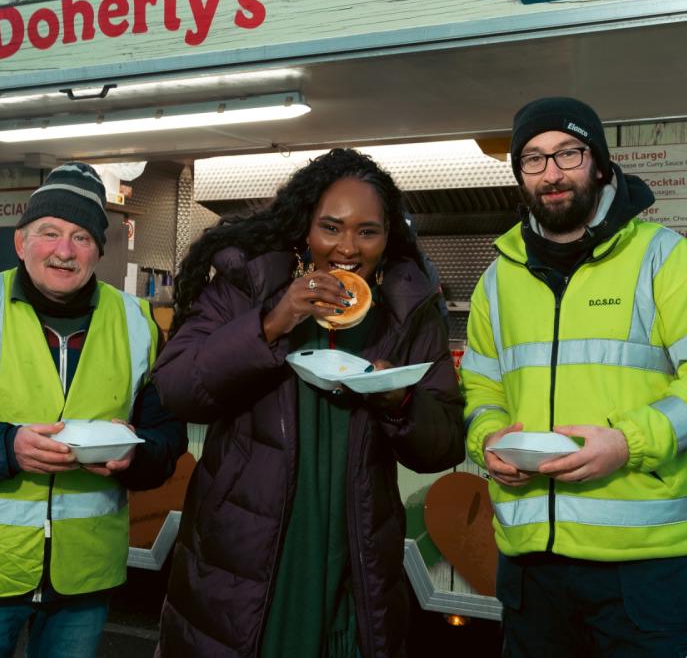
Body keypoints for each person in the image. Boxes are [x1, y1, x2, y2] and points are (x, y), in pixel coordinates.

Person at [461, 97, 687, 657]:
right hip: (531, 567)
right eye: (533, 159)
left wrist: (627, 443)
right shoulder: (497, 281)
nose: (551, 173)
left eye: (568, 153)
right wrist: (487, 439)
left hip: (642, 568)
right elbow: (481, 388)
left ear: (598, 163)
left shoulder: (665, 258)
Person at [153, 148, 465, 657]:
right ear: (304, 228)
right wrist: (273, 322)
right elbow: (177, 387)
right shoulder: (249, 284)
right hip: (245, 547)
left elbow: (445, 443)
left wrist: (400, 400)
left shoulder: (409, 308)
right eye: (331, 228)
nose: (348, 247)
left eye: (368, 231)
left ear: (388, 237)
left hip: (354, 548)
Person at [0, 162, 187, 658]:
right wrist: (8, 448)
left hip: (84, 577)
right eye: (49, 232)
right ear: (21, 242)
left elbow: (167, 438)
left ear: (99, 250)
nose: (64, 251)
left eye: (82, 237)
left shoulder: (139, 322)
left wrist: (137, 454)